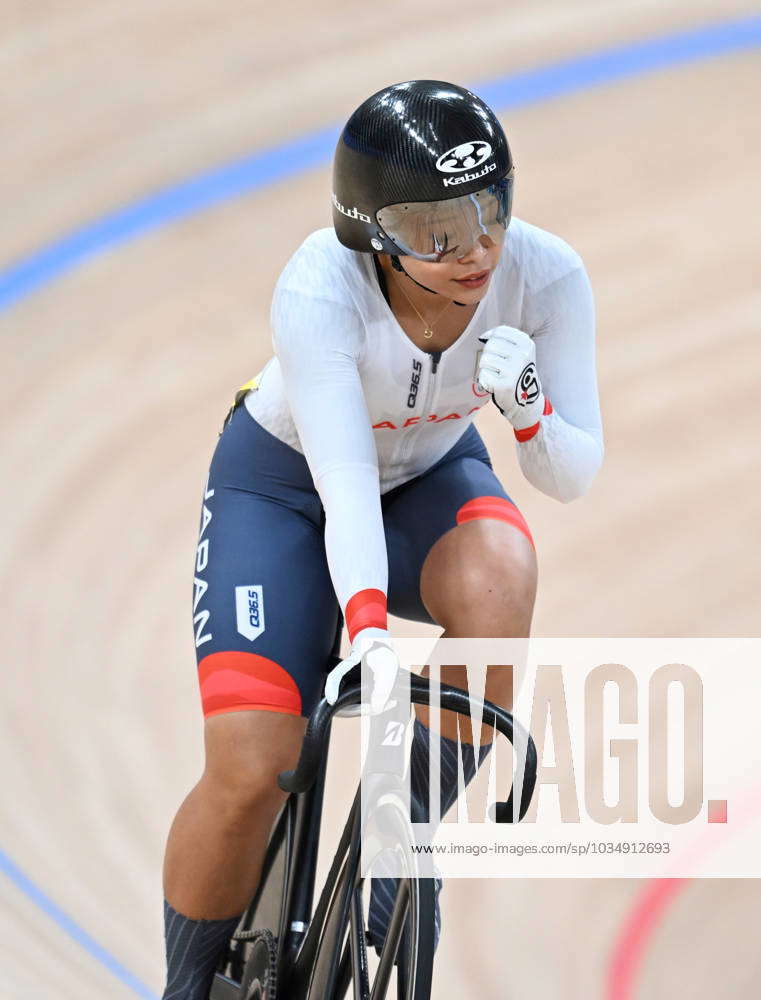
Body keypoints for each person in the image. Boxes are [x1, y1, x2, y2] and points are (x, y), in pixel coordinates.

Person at [161, 79, 603, 999]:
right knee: (253, 768)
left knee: (504, 569)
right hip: (286, 484)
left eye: (489, 211)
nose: (474, 248)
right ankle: (184, 985)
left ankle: (403, 830)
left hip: (428, 474)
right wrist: (366, 629)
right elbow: (345, 480)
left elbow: (569, 475)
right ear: (373, 232)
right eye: (435, 231)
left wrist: (526, 415)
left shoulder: (546, 273)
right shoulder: (318, 287)